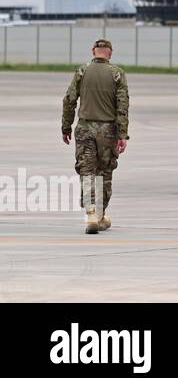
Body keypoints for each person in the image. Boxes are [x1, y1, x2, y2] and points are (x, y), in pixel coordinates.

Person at [61, 38, 129, 235]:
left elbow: (69, 100)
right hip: (108, 130)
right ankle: (100, 214)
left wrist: (66, 126)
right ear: (109, 53)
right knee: (105, 172)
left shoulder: (82, 71)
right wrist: (122, 134)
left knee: (87, 171)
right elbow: (122, 106)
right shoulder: (117, 73)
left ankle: (91, 213)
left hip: (84, 128)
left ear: (93, 51)